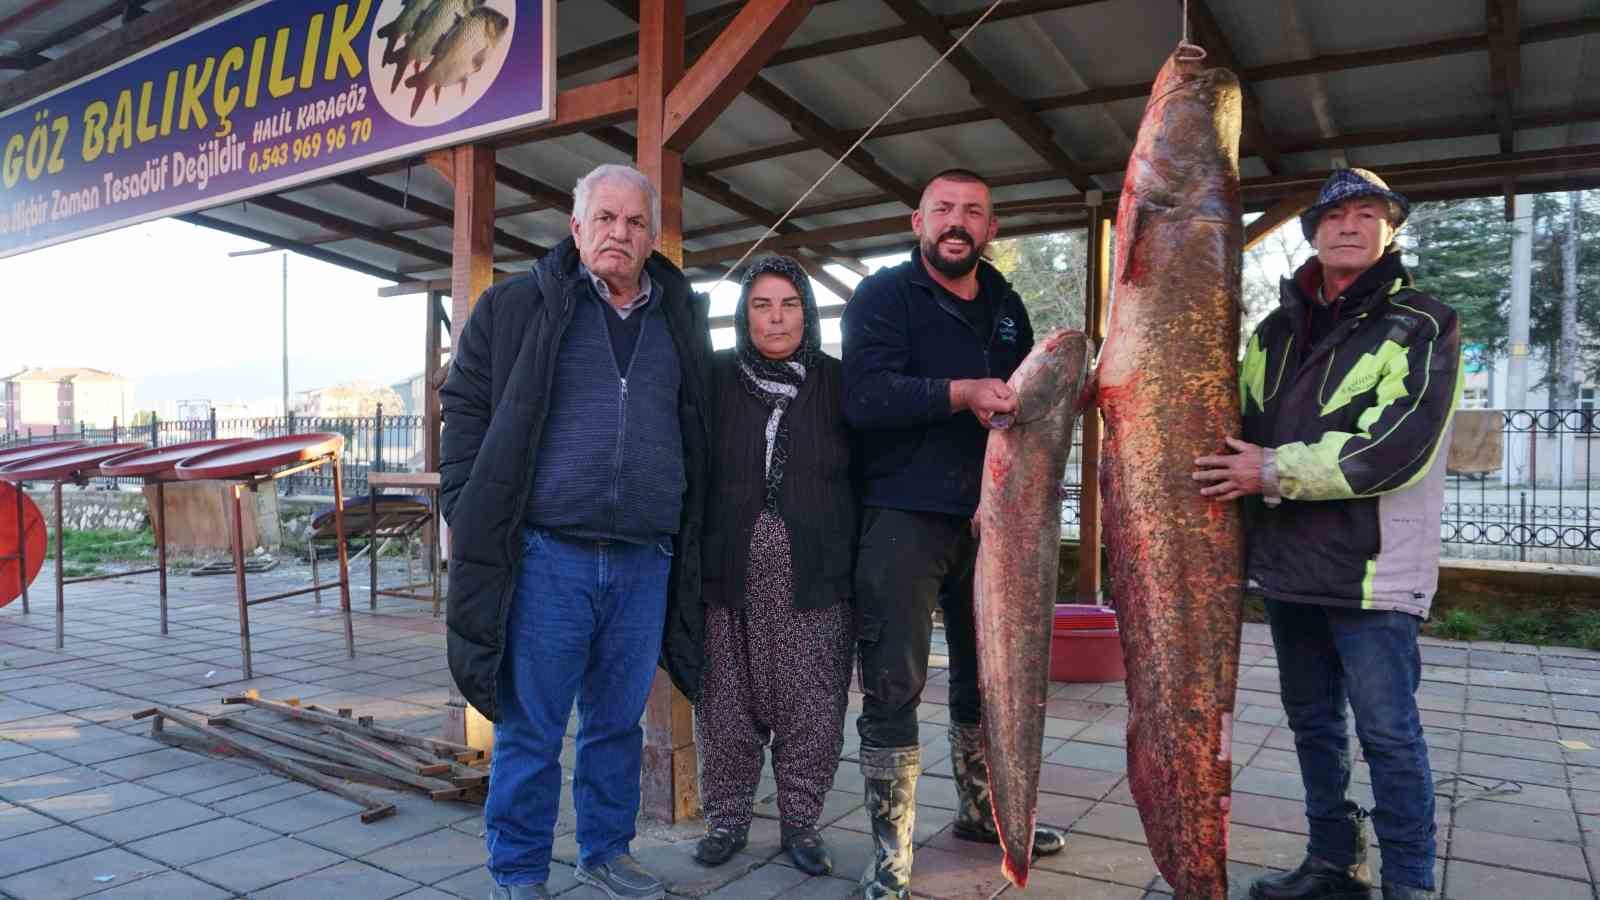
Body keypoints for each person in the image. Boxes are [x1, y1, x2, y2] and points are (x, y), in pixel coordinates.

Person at [439, 163, 712, 900]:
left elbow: (700, 424)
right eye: (605, 219)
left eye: (634, 223)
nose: (619, 234)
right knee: (531, 727)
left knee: (617, 725)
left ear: (653, 237)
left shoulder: (678, 318)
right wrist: (464, 502)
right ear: (576, 227)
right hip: (547, 554)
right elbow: (463, 403)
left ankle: (606, 850)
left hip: (643, 559)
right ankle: (520, 870)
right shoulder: (519, 306)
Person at [1193, 168, 1460, 900]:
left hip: (1373, 573)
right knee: (1313, 726)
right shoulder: (1274, 332)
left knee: (1389, 736)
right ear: (1311, 232)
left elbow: (1396, 446)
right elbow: (1230, 426)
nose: (1351, 226)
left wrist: (1272, 471)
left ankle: (1409, 884)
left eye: (1369, 215)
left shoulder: (1424, 323)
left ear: (1389, 232)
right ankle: (1334, 861)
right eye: (1337, 215)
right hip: (1289, 569)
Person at [841, 168, 1065, 900]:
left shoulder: (1006, 304)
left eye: (973, 211)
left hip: (993, 524)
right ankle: (890, 851)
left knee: (990, 676)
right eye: (943, 209)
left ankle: (981, 810)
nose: (957, 222)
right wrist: (959, 393)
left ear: (991, 228)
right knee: (894, 680)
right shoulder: (882, 297)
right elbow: (865, 397)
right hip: (902, 517)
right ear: (918, 222)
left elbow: (1030, 406)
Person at [690, 255, 856, 877]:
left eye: (788, 304)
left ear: (807, 313)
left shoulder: (838, 384)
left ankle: (801, 824)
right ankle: (727, 820)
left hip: (814, 575)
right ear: (743, 315)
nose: (776, 317)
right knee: (727, 705)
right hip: (729, 573)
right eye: (761, 304)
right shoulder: (713, 380)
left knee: (811, 706)